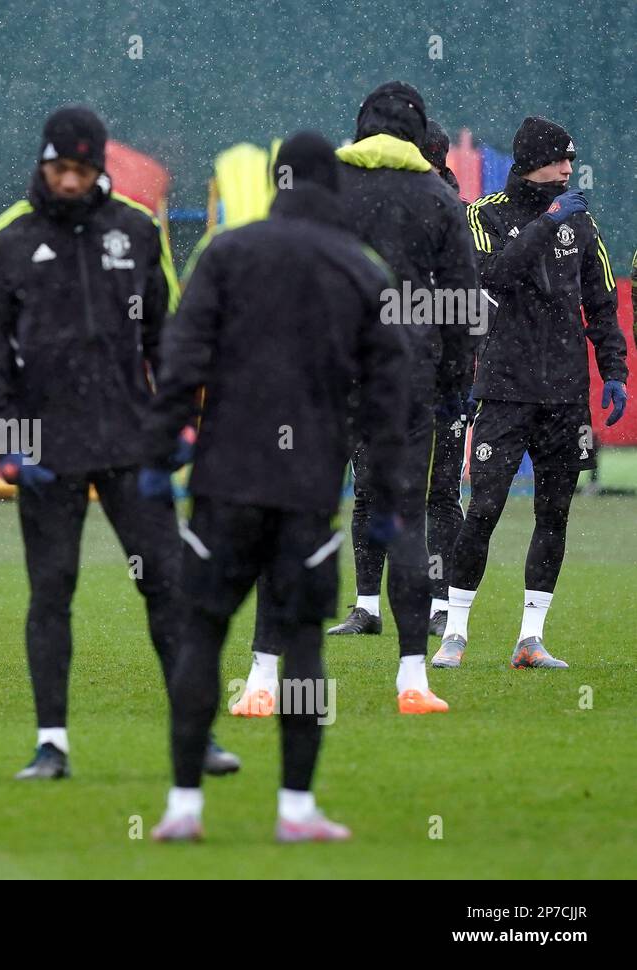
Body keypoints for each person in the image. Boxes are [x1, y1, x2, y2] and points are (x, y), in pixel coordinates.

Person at [142, 132, 407, 842]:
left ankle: (182, 808)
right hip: (308, 491)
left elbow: (181, 358)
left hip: (225, 483)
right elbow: (391, 395)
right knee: (305, 648)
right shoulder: (362, 268)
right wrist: (391, 496)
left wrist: (159, 451)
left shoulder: (227, 253)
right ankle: (295, 810)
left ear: (277, 182)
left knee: (201, 636)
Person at [0, 105, 237, 779]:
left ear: (98, 171)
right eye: (59, 167)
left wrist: (178, 423)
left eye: (82, 170)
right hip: (46, 452)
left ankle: (195, 738)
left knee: (169, 586)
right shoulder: (6, 239)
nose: (69, 180)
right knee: (51, 593)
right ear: (42, 164)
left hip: (131, 445)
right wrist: (7, 444)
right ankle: (51, 744)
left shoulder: (137, 231)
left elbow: (168, 341)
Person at [433, 117, 627, 670]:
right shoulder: (484, 214)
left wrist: (614, 370)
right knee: (485, 509)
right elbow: (491, 275)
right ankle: (456, 634)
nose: (570, 170)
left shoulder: (581, 223)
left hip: (565, 396)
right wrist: (545, 222)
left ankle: (530, 639)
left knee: (554, 512)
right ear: (532, 160)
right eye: (560, 160)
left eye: (573, 160)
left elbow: (603, 302)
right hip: (504, 389)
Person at [319, 81, 478, 714]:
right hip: (405, 377)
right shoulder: (439, 196)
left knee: (298, 516)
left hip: (328, 374)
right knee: (408, 518)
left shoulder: (323, 188)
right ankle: (413, 674)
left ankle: (266, 672)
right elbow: (463, 303)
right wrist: (454, 383)